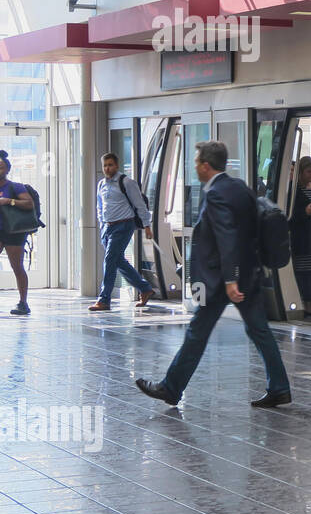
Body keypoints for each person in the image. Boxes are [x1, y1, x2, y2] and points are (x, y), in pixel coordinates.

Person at [135, 141, 292, 408]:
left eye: (196, 163)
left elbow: (227, 238)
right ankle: (279, 387)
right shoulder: (240, 187)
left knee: (198, 332)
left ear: (206, 166)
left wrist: (231, 279)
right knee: (259, 331)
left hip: (221, 281)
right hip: (249, 275)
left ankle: (171, 388)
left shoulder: (216, 194)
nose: (195, 167)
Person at [90, 152, 155, 311]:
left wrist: (147, 226)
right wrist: (102, 225)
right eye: (105, 165)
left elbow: (140, 205)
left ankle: (104, 299)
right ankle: (145, 289)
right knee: (118, 261)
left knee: (110, 260)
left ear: (117, 165)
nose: (107, 168)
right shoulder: (101, 184)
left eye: (110, 165)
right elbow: (100, 206)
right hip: (107, 226)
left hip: (124, 225)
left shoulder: (126, 182)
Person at [0, 150, 35, 315]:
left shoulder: (15, 186)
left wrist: (9, 201)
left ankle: (23, 303)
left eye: (1, 167)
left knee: (16, 267)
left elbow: (29, 204)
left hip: (13, 231)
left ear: (7, 169)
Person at [288, 156, 311, 317]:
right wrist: (304, 212)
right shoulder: (294, 190)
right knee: (304, 271)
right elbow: (290, 214)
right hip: (303, 236)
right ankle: (305, 302)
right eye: (308, 171)